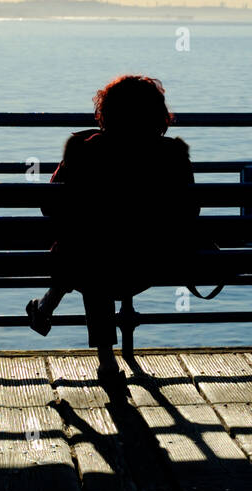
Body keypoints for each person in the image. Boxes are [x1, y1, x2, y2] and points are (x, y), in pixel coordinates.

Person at [27, 75, 198, 385]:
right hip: (153, 264)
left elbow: (49, 205)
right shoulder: (173, 153)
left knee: (90, 248)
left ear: (107, 111)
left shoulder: (83, 148)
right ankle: (45, 308)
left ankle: (103, 358)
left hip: (93, 265)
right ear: (157, 112)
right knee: (97, 248)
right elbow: (190, 211)